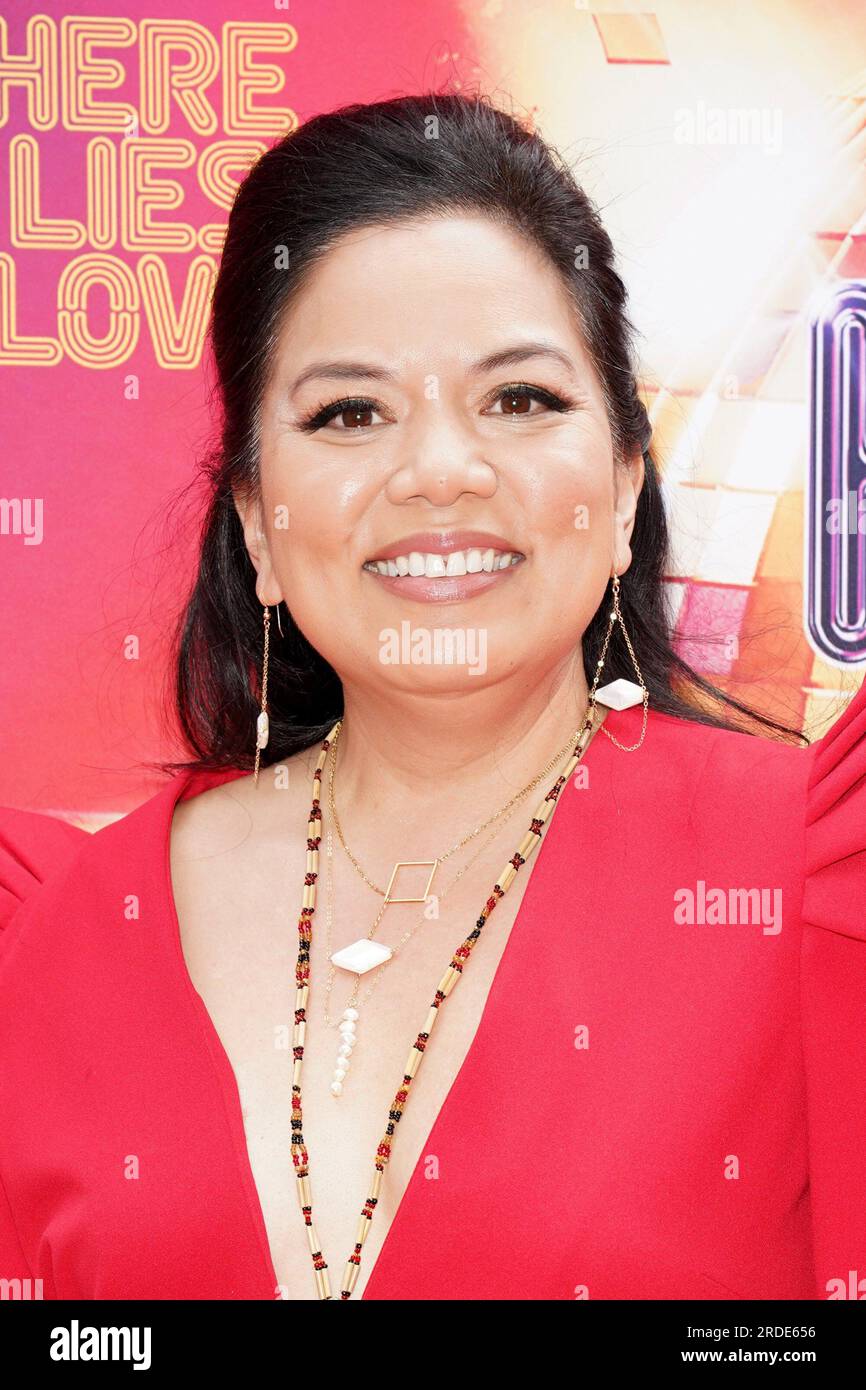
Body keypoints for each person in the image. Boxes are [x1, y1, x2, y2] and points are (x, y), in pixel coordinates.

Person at [1, 92, 864, 1302]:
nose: (439, 470)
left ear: (622, 486)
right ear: (256, 520)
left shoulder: (818, 889)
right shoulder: (55, 933)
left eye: (519, 399)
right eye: (349, 412)